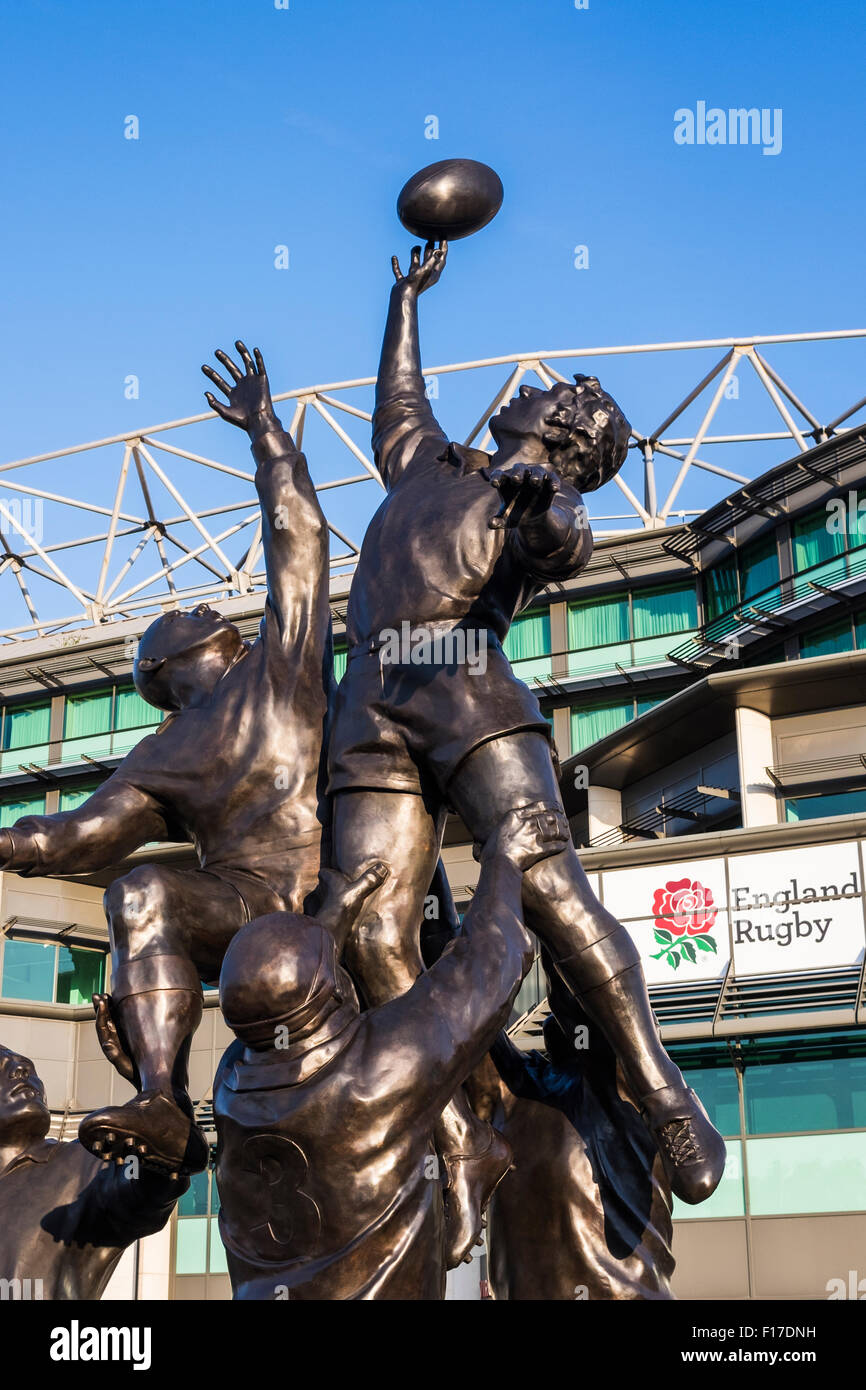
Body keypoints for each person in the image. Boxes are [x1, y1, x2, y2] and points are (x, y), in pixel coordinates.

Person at [327, 240, 725, 1261]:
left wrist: (539, 493)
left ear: (560, 428)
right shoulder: (430, 464)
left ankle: (653, 1083)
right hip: (368, 694)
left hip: (465, 681)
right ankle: (463, 1128)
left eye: (552, 391)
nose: (529, 386)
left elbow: (562, 543)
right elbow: (395, 402)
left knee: (547, 887)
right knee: (373, 928)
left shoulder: (532, 493)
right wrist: (401, 301)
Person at [0, 343, 332, 1172]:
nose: (206, 601)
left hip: (338, 874)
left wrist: (267, 433)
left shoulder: (280, 665)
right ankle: (164, 1104)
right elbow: (76, 837)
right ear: (163, 665)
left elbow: (301, 540)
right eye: (189, 610)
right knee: (141, 888)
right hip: (250, 905)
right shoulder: (160, 753)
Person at [212, 804, 568, 1300]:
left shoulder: (231, 1084)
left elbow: (283, 1009)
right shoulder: (378, 1068)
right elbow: (493, 958)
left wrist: (332, 918)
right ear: (336, 989)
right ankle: (472, 1147)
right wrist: (504, 860)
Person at [470, 959, 676, 1301]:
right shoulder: (511, 1090)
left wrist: (546, 922)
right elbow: (467, 1015)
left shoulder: (630, 1088)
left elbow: (580, 996)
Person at [0, 1036, 185, 1300]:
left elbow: (152, 1175)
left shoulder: (83, 1162)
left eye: (26, 1067)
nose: (22, 1071)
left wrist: (156, 1083)